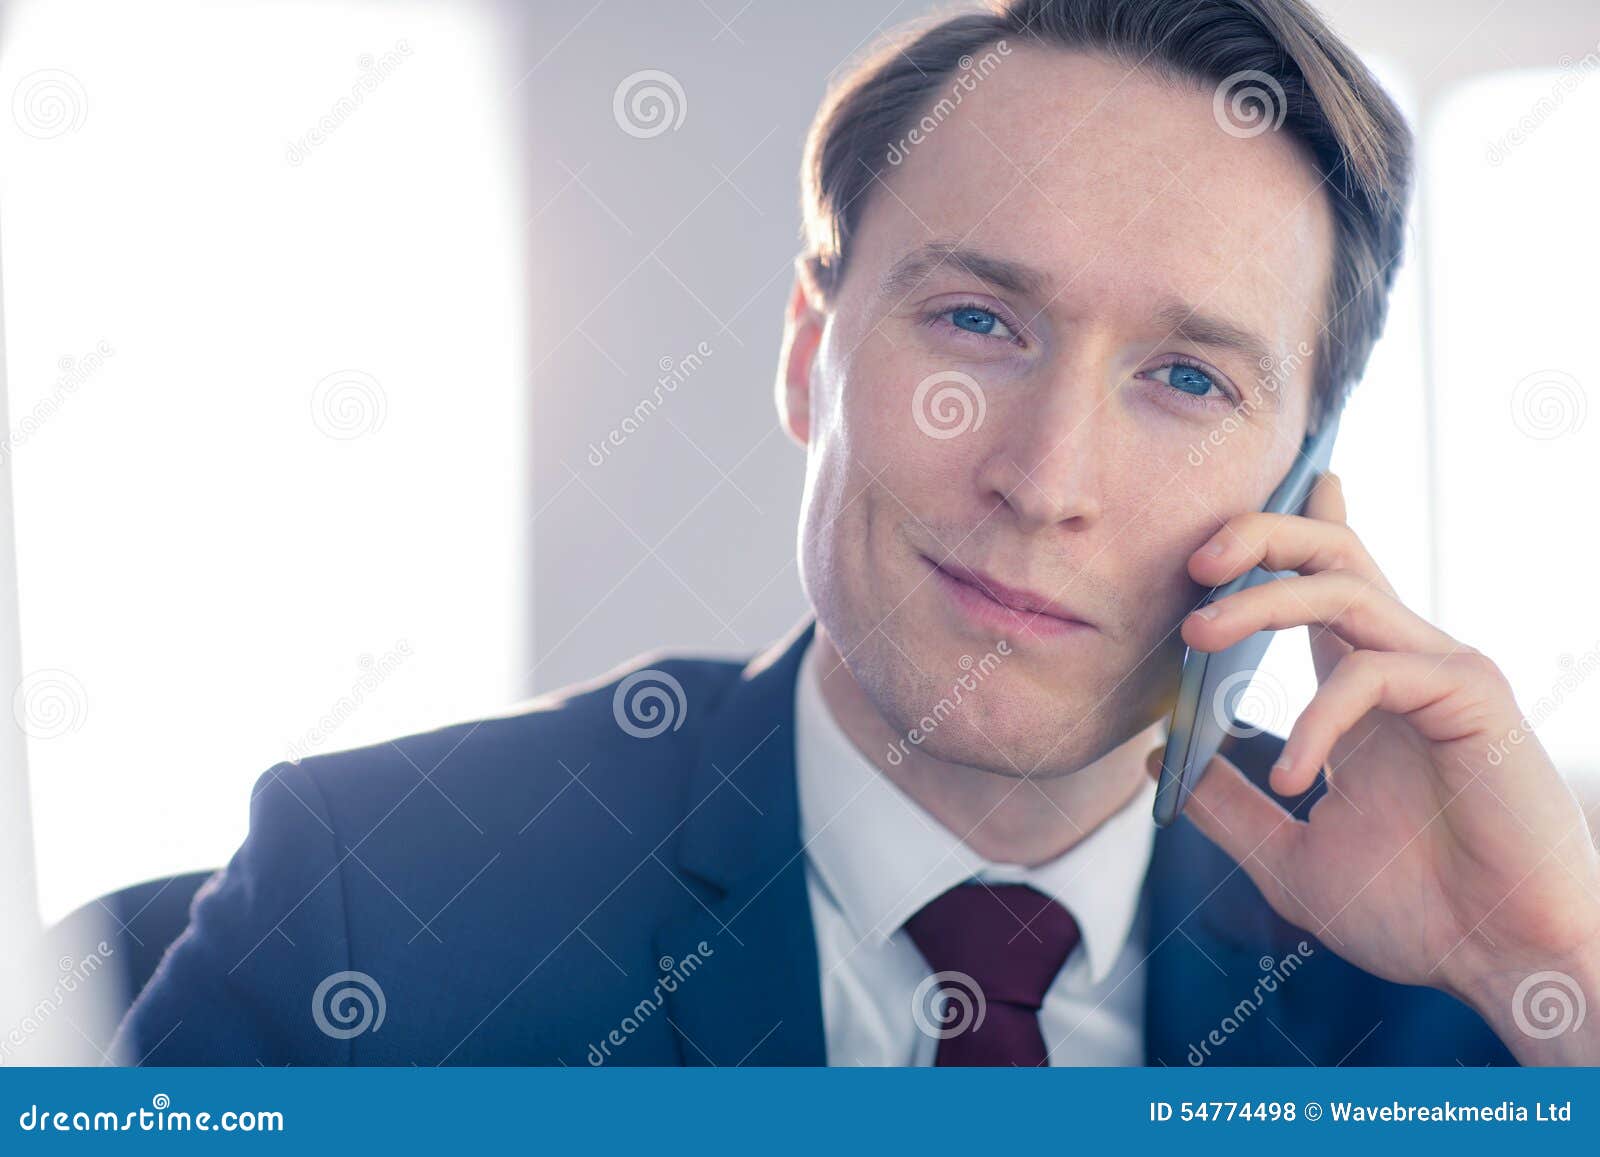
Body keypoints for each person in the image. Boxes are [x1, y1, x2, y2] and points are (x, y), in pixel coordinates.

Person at [115, 0, 1600, 1066]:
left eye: (1188, 378)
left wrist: (1549, 977)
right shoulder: (374, 894)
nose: (1043, 475)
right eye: (975, 320)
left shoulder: (1451, 978)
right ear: (803, 355)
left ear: (1303, 483)